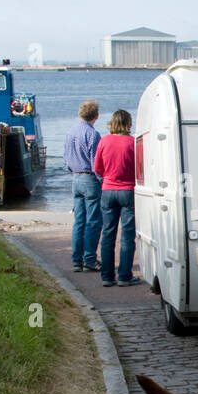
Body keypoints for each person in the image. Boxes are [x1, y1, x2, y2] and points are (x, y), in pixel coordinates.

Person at [93, 109, 140, 286]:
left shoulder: (104, 141)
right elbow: (140, 167)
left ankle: (107, 276)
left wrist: (107, 177)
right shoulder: (133, 142)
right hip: (128, 190)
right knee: (127, 236)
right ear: (128, 123)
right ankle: (124, 275)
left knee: (108, 234)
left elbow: (97, 167)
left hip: (108, 190)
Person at [65, 100, 103, 271]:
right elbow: (96, 161)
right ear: (96, 115)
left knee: (79, 221)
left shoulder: (71, 132)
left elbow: (66, 157)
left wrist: (72, 170)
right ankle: (89, 258)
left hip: (75, 177)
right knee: (93, 221)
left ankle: (76, 259)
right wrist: (101, 179)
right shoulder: (93, 134)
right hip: (89, 177)